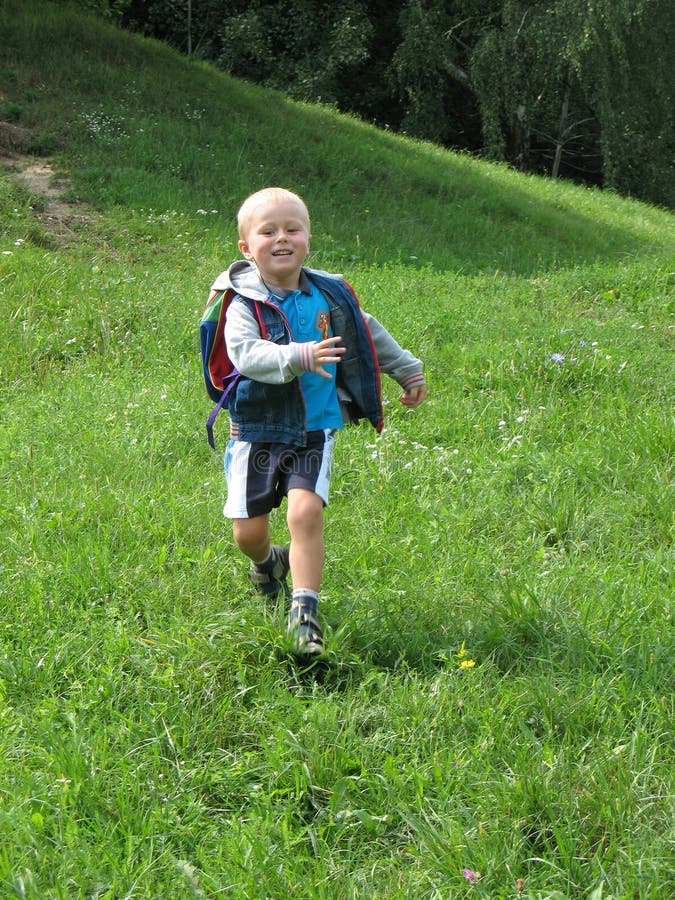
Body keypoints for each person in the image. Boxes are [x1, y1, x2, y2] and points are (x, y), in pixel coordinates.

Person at [212, 187, 427, 658]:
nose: (282, 238)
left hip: (315, 426)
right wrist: (299, 355)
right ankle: (269, 565)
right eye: (268, 231)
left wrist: (407, 369)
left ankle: (303, 612)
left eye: (293, 228)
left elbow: (366, 331)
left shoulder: (327, 295)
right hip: (256, 428)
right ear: (247, 249)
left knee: (304, 512)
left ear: (308, 238)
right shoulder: (241, 302)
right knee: (247, 532)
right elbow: (245, 355)